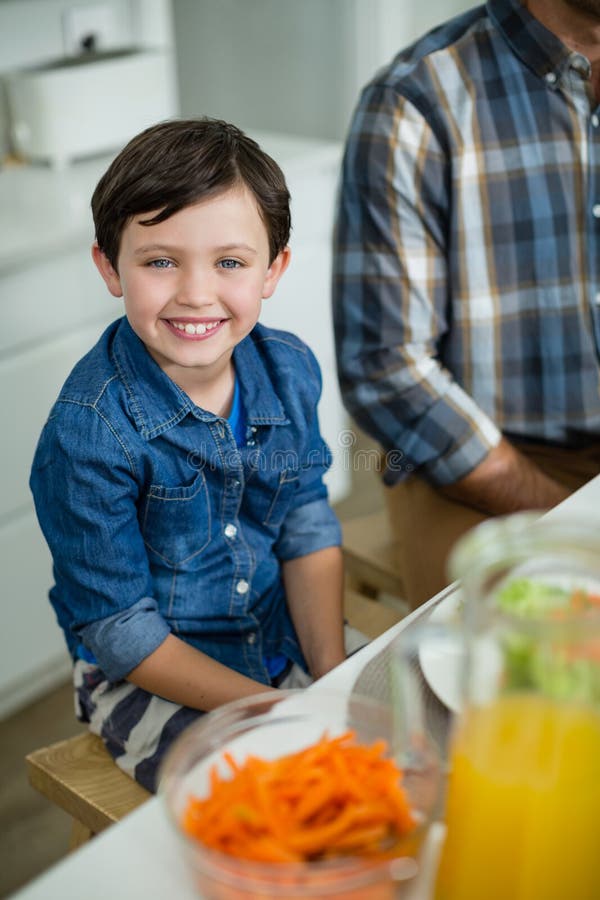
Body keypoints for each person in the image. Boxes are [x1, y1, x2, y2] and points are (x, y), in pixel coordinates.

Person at [30, 117, 363, 792]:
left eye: (230, 262)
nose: (196, 293)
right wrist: (277, 711)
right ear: (108, 265)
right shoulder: (88, 433)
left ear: (274, 270)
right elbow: (122, 631)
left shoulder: (290, 368)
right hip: (147, 675)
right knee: (277, 801)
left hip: (279, 636)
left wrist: (327, 676)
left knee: (404, 736)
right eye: (160, 261)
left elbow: (305, 522)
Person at [333, 0, 600, 609]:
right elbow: (386, 370)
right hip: (485, 466)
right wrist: (570, 524)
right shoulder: (412, 102)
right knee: (535, 665)